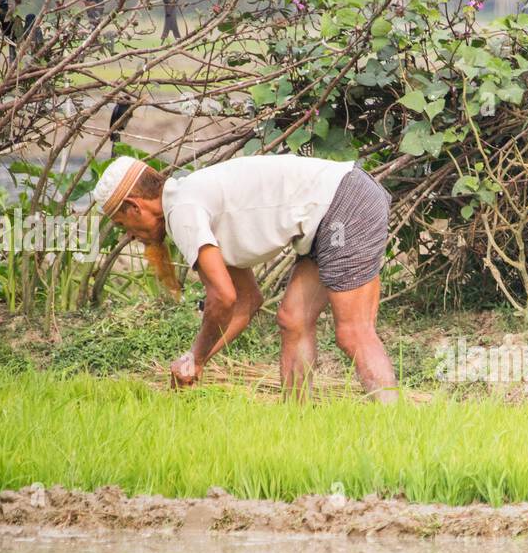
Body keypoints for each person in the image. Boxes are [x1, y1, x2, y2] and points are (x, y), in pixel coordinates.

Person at [91, 154, 398, 402]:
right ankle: (298, 423)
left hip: (344, 206)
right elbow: (246, 301)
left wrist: (195, 355)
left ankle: (392, 423)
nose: (130, 236)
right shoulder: (192, 199)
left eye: (122, 224)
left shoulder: (182, 210)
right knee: (294, 319)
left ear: (134, 206)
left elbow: (222, 298)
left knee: (353, 332)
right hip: (332, 212)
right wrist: (196, 361)